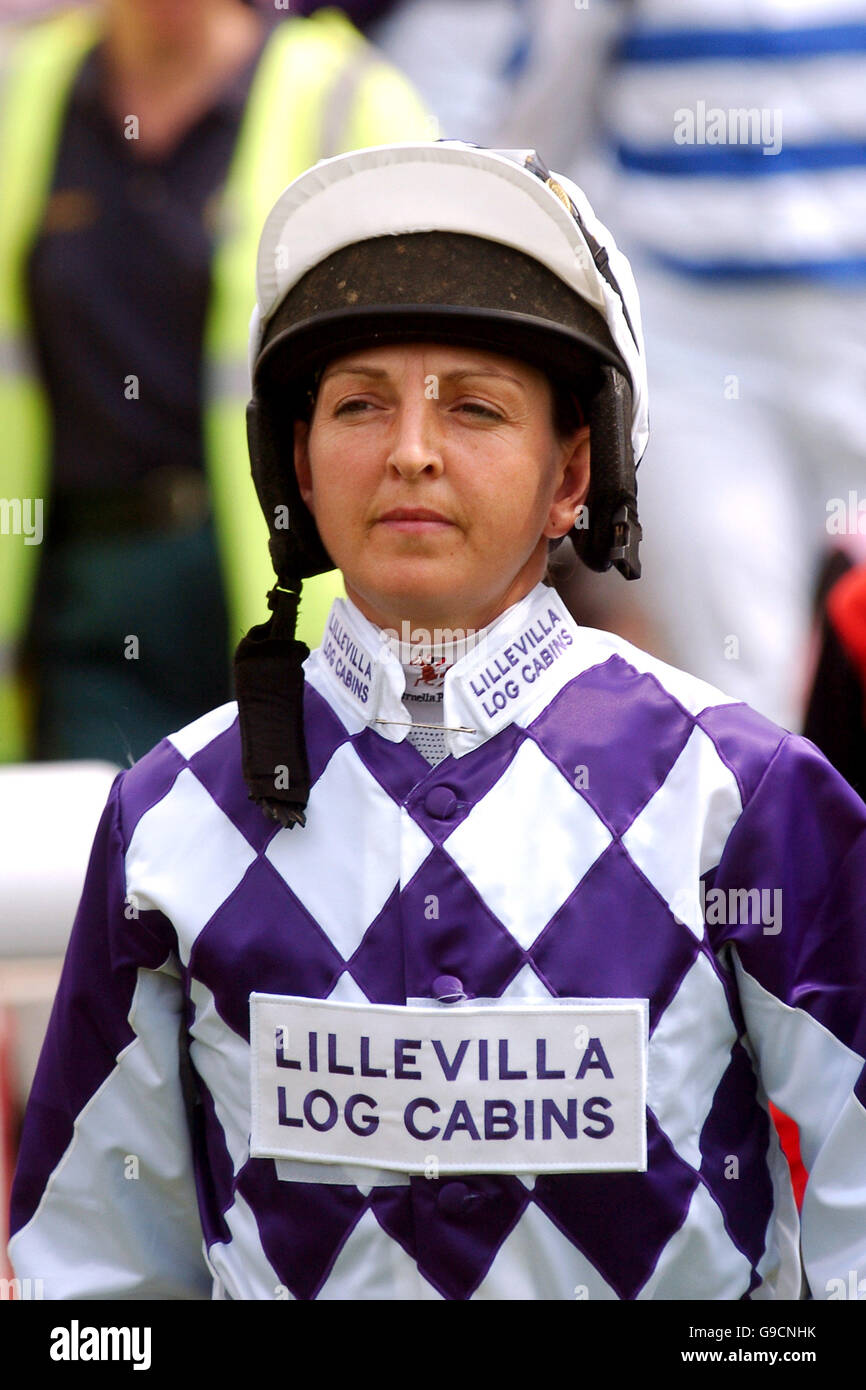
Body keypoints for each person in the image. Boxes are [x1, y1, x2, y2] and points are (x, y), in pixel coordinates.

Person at [8, 142, 866, 1301]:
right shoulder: (167, 811)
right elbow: (94, 1278)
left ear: (574, 475)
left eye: (472, 407)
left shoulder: (747, 795)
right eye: (359, 403)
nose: (410, 449)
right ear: (297, 468)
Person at [0, 0, 430, 765]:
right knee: (126, 861)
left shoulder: (348, 98)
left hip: (285, 591)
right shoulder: (28, 86)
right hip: (90, 589)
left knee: (287, 861)